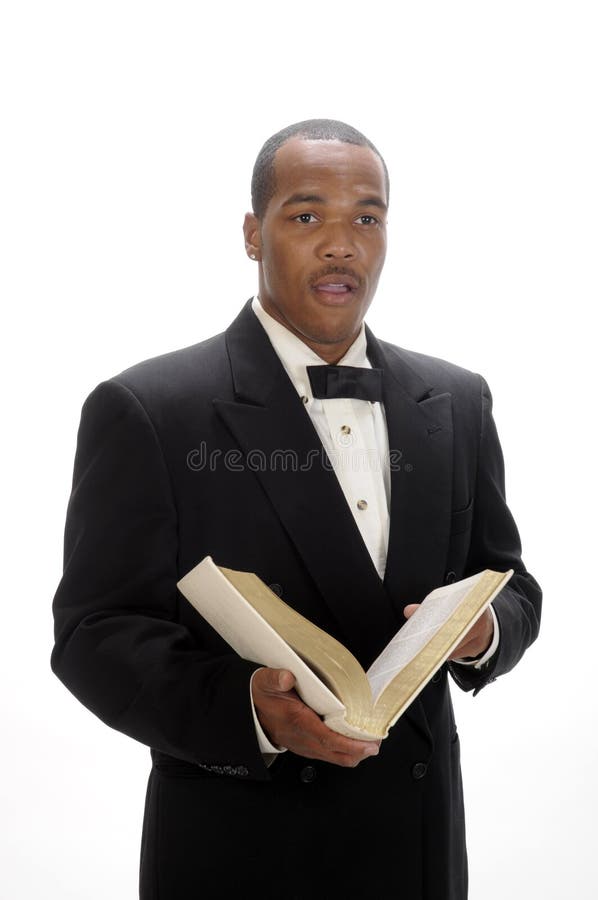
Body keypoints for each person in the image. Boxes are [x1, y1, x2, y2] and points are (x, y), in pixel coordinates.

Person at [51, 120, 541, 900]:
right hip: (238, 849)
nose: (341, 244)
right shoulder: (149, 408)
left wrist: (481, 631)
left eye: (367, 218)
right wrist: (247, 709)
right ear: (253, 234)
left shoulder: (458, 398)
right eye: (307, 215)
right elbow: (93, 633)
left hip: (415, 848)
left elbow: (510, 584)